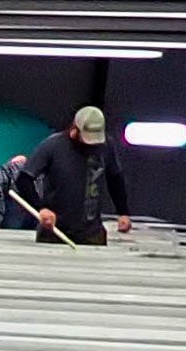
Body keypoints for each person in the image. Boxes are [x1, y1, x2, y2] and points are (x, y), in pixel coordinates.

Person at [19, 104, 132, 245]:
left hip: (92, 233)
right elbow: (24, 179)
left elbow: (115, 178)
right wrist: (41, 208)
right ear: (74, 130)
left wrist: (123, 212)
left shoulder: (106, 146)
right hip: (55, 230)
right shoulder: (53, 146)